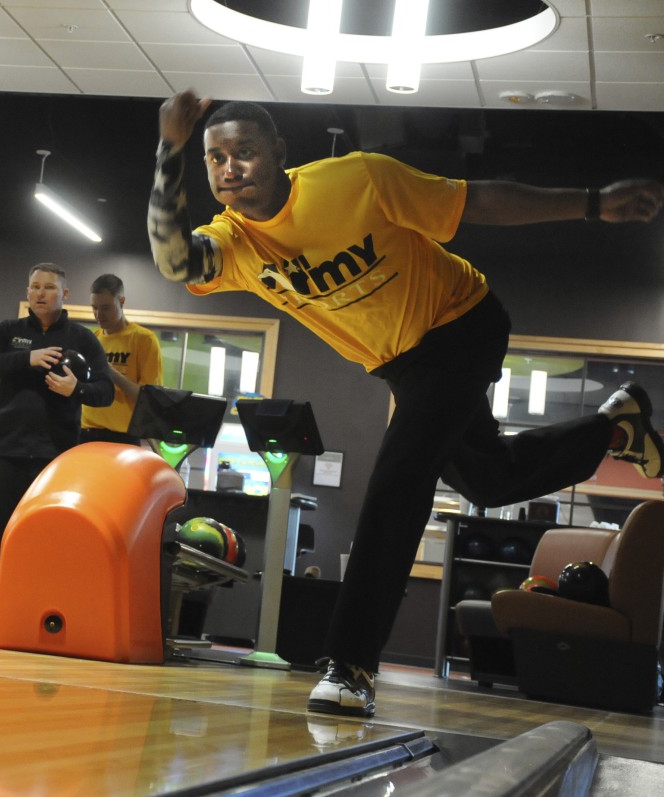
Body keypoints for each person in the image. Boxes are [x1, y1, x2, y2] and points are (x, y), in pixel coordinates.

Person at [149, 90, 664, 717]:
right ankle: (614, 432)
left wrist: (592, 204)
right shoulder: (231, 243)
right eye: (215, 158)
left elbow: (480, 199)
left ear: (279, 153)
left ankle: (351, 663)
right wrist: (172, 147)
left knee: (399, 483)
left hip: (462, 325)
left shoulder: (359, 179)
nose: (230, 168)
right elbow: (176, 259)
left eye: (246, 153)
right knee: (487, 478)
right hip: (403, 366)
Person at [0, 263, 115, 636]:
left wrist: (74, 390)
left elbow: (107, 392)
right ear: (27, 292)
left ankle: (42, 616)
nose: (41, 293)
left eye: (49, 287)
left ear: (64, 295)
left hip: (56, 458)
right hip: (5, 452)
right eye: (35, 287)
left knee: (50, 538)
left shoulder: (83, 338)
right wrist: (26, 359)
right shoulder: (8, 332)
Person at [80, 273, 163, 446]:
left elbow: (150, 400)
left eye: (105, 307)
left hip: (123, 437)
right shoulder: (92, 340)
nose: (98, 314)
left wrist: (112, 374)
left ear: (122, 301)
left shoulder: (143, 339)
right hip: (85, 434)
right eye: (94, 307)